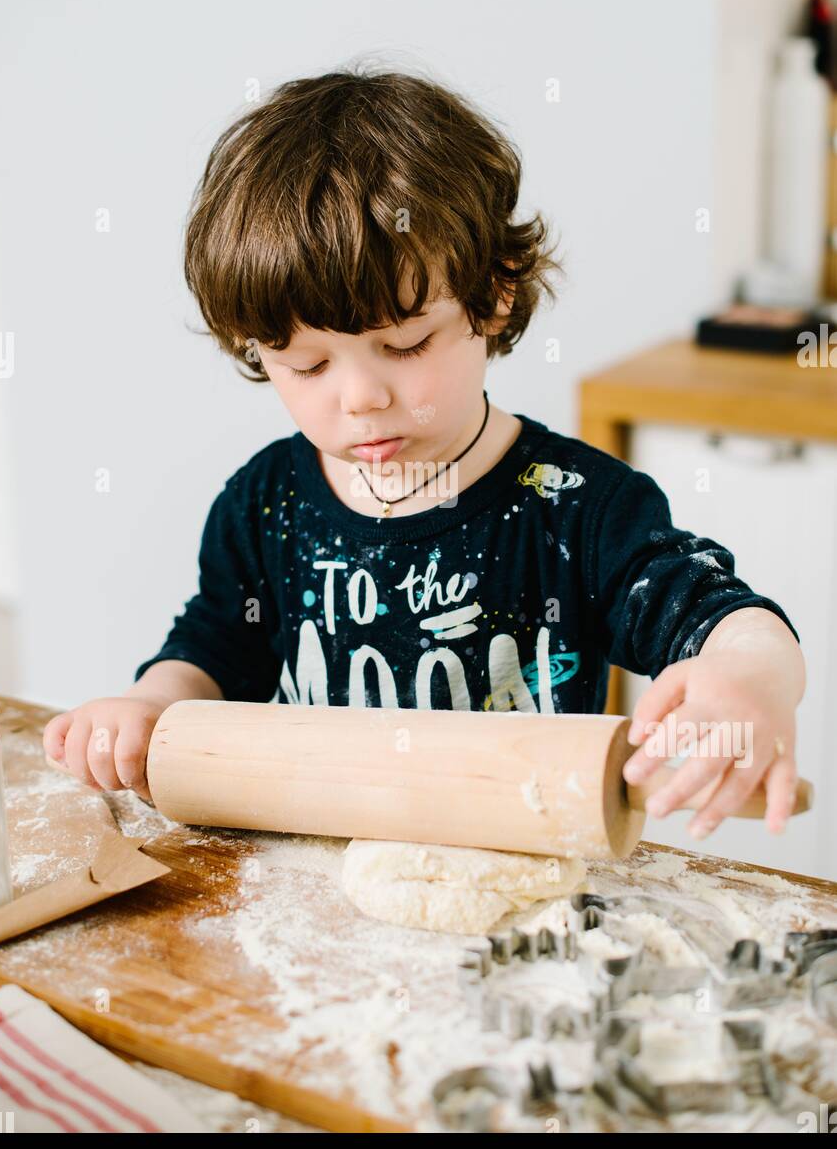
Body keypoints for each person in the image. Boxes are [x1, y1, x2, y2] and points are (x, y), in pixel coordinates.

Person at [43, 66, 805, 841]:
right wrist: (149, 704)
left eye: (403, 344)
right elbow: (213, 647)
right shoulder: (265, 501)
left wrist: (746, 677)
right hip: (324, 892)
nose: (359, 397)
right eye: (306, 365)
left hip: (529, 897)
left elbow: (720, 617)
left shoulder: (577, 506)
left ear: (495, 293)